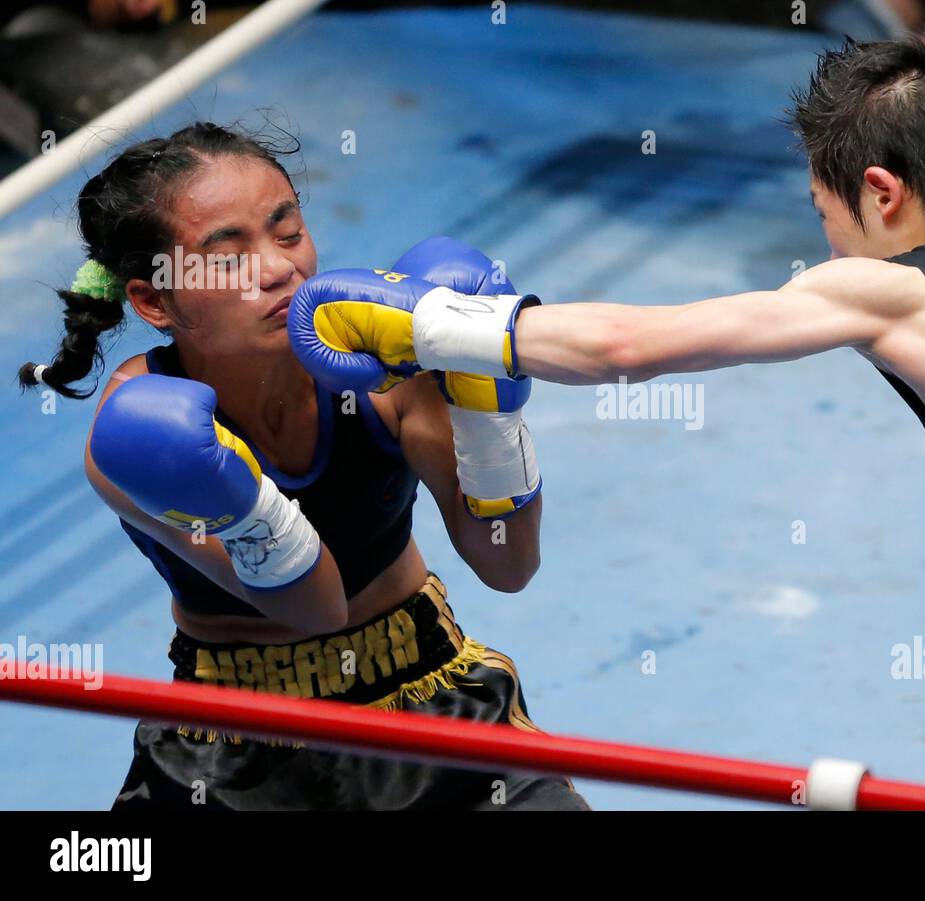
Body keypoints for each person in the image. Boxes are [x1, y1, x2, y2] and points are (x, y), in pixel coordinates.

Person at [292, 38, 925, 809]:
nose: (824, 239)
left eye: (822, 210)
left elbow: (623, 346)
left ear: (880, 191)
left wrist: (429, 323)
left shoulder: (895, 292)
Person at [17, 121, 587, 811]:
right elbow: (314, 607)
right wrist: (246, 501)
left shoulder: (384, 365)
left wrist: (489, 416)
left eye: (287, 232)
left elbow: (508, 563)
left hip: (431, 692)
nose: (280, 266)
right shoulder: (136, 439)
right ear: (154, 300)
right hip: (231, 743)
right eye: (228, 255)